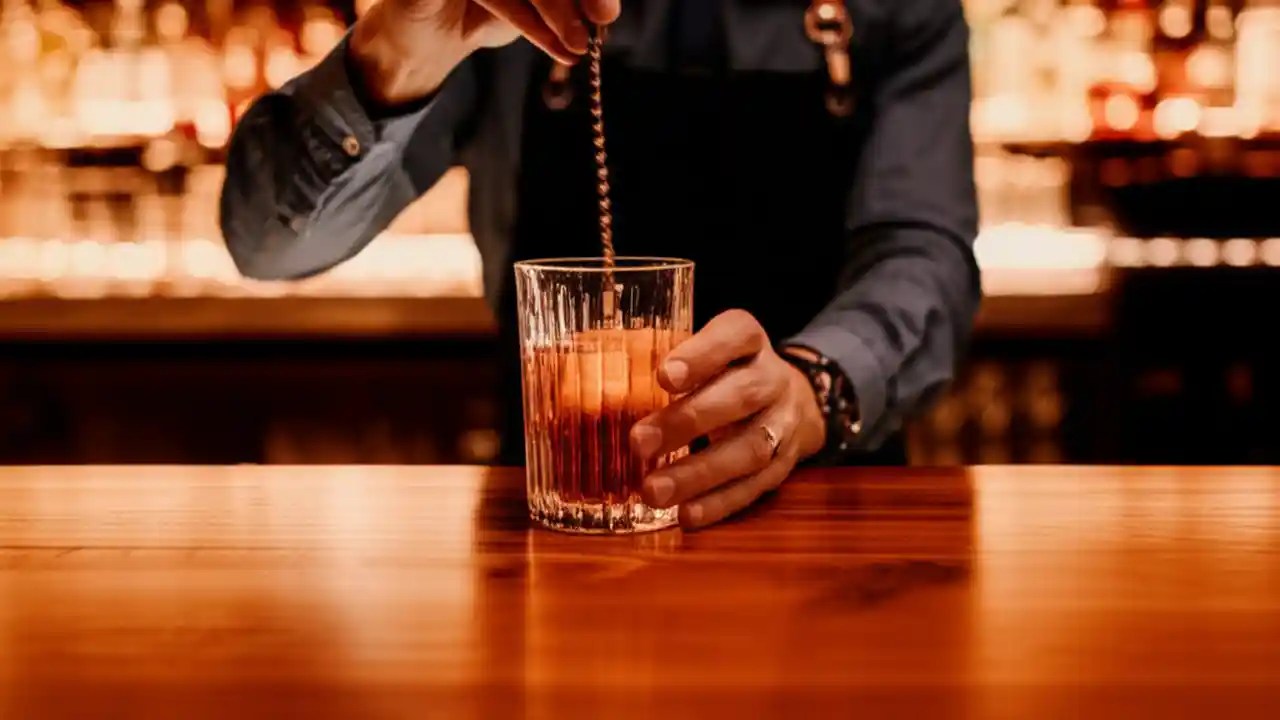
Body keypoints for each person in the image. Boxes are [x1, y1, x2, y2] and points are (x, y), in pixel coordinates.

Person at [219, 0, 981, 529]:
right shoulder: (510, 10)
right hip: (564, 514)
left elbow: (924, 251)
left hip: (829, 518)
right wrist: (396, 50)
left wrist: (814, 387)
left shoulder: (899, 11)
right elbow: (268, 244)